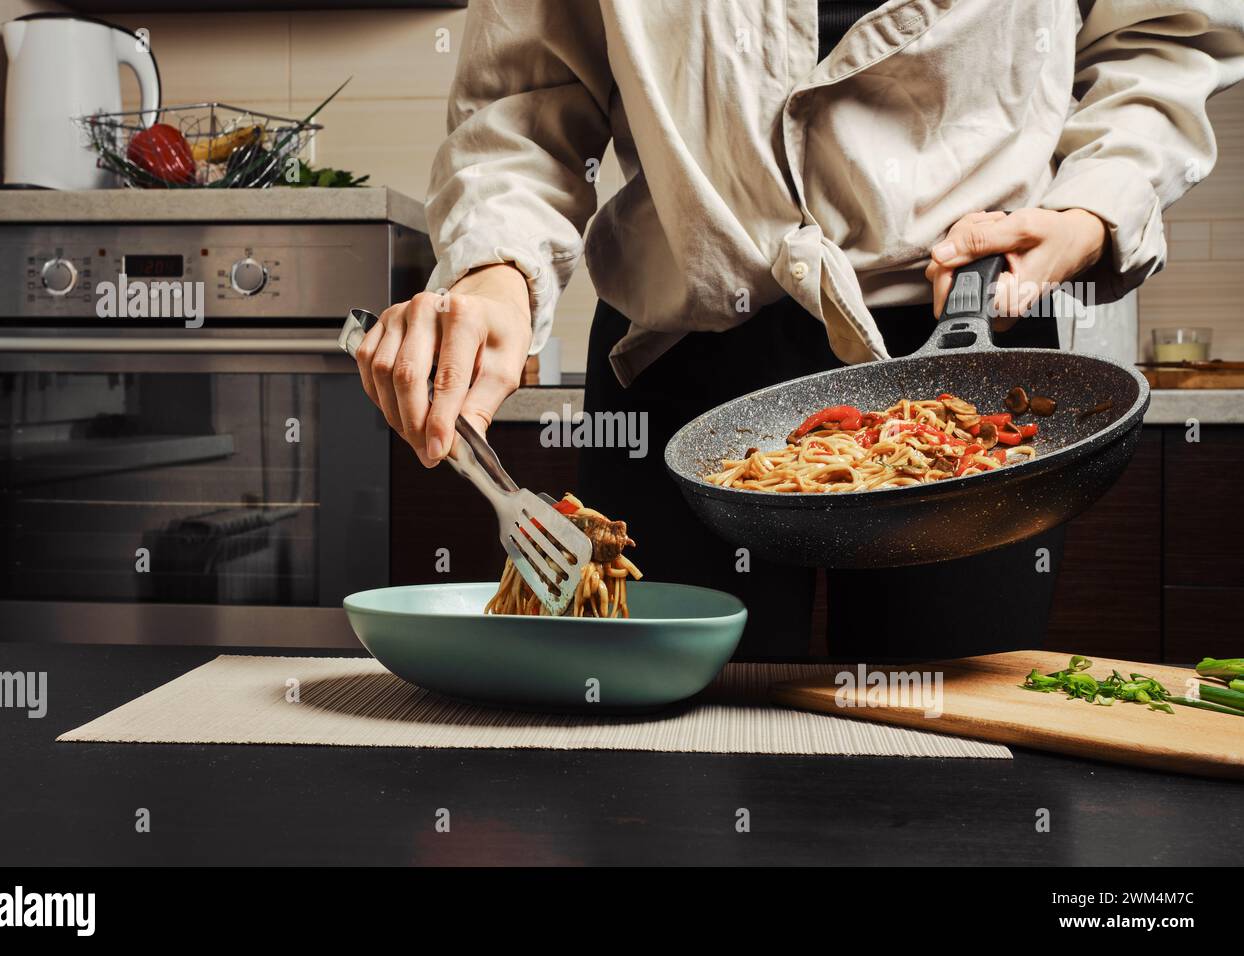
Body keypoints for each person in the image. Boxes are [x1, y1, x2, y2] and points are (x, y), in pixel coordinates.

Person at [353, 0, 1244, 660]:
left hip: (966, 372)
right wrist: (498, 268)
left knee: (956, 790)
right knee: (671, 793)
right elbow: (526, 95)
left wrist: (1095, 206)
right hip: (681, 370)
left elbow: (1164, 36)